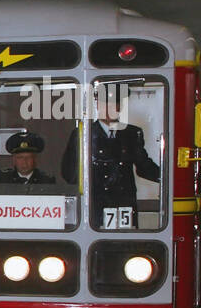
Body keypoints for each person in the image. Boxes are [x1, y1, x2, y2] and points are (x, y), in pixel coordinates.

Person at [61, 85, 160, 227]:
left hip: (123, 206)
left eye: (114, 104)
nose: (110, 109)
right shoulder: (83, 134)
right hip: (94, 206)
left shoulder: (131, 133)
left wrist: (168, 179)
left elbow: (144, 166)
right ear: (97, 105)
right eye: (105, 104)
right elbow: (69, 173)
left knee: (126, 247)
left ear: (120, 107)